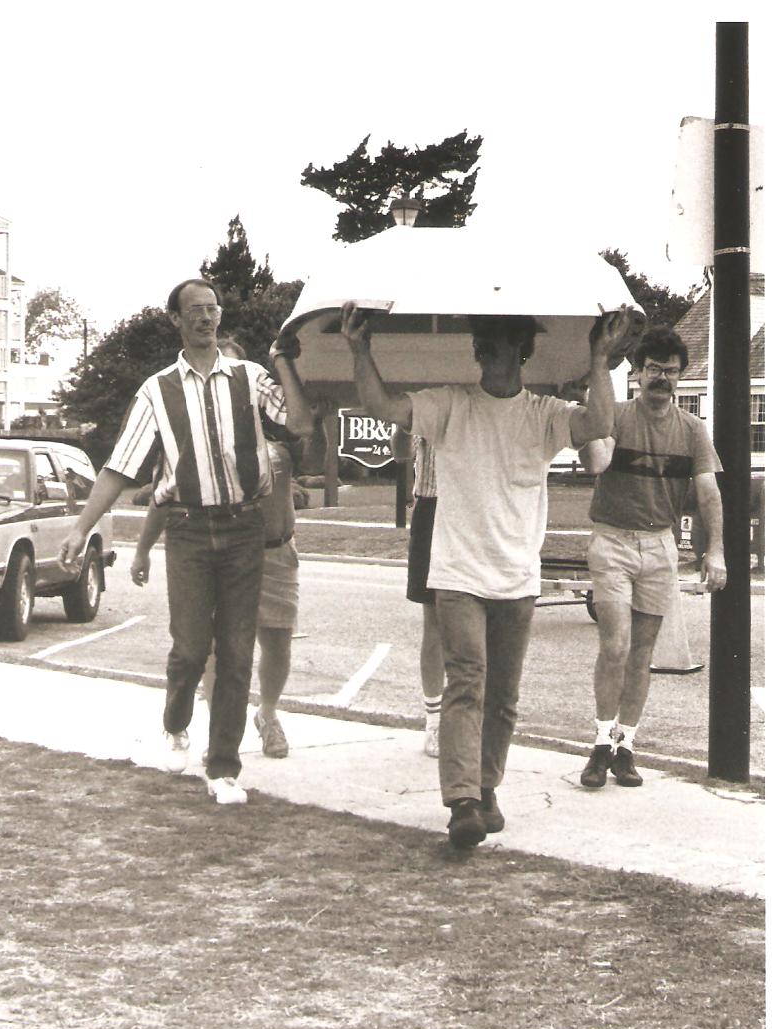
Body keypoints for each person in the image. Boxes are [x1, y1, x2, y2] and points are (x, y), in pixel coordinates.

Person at [341, 300, 634, 849]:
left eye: (495, 345)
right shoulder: (451, 405)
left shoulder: (545, 414)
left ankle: (487, 787)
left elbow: (599, 423)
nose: (485, 355)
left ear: (521, 352)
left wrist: (599, 359)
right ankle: (463, 802)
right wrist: (360, 348)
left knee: (503, 697)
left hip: (517, 577)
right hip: (456, 574)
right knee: (467, 683)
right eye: (480, 345)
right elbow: (382, 405)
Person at [58, 279, 314, 804]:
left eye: (213, 308)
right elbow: (120, 467)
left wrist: (283, 360)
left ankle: (223, 768)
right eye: (194, 310)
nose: (206, 317)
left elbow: (299, 422)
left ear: (220, 317)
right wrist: (82, 527)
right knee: (192, 649)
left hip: (245, 528)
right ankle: (176, 725)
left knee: (239, 651)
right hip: (190, 531)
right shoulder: (157, 390)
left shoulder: (250, 376)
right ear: (175, 320)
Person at [130, 334, 307, 760]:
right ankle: (219, 736)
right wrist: (142, 550)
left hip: (274, 550)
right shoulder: (193, 444)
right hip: (219, 547)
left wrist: (285, 362)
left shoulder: (277, 436)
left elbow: (306, 424)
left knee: (276, 642)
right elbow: (163, 495)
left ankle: (267, 714)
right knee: (215, 649)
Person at [578, 325, 726, 789]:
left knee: (642, 654)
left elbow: (708, 493)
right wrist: (589, 420)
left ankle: (627, 747)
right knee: (616, 645)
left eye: (672, 371)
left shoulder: (693, 430)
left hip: (661, 544)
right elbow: (595, 462)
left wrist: (715, 550)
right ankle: (601, 742)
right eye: (654, 369)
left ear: (681, 377)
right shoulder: (617, 417)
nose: (662, 378)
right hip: (613, 540)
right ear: (639, 372)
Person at [390, 428, 443, 757]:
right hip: (431, 506)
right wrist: (404, 422)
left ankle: (469, 716)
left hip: (475, 507)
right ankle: (434, 721)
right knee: (434, 622)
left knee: (478, 620)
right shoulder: (427, 401)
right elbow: (400, 452)